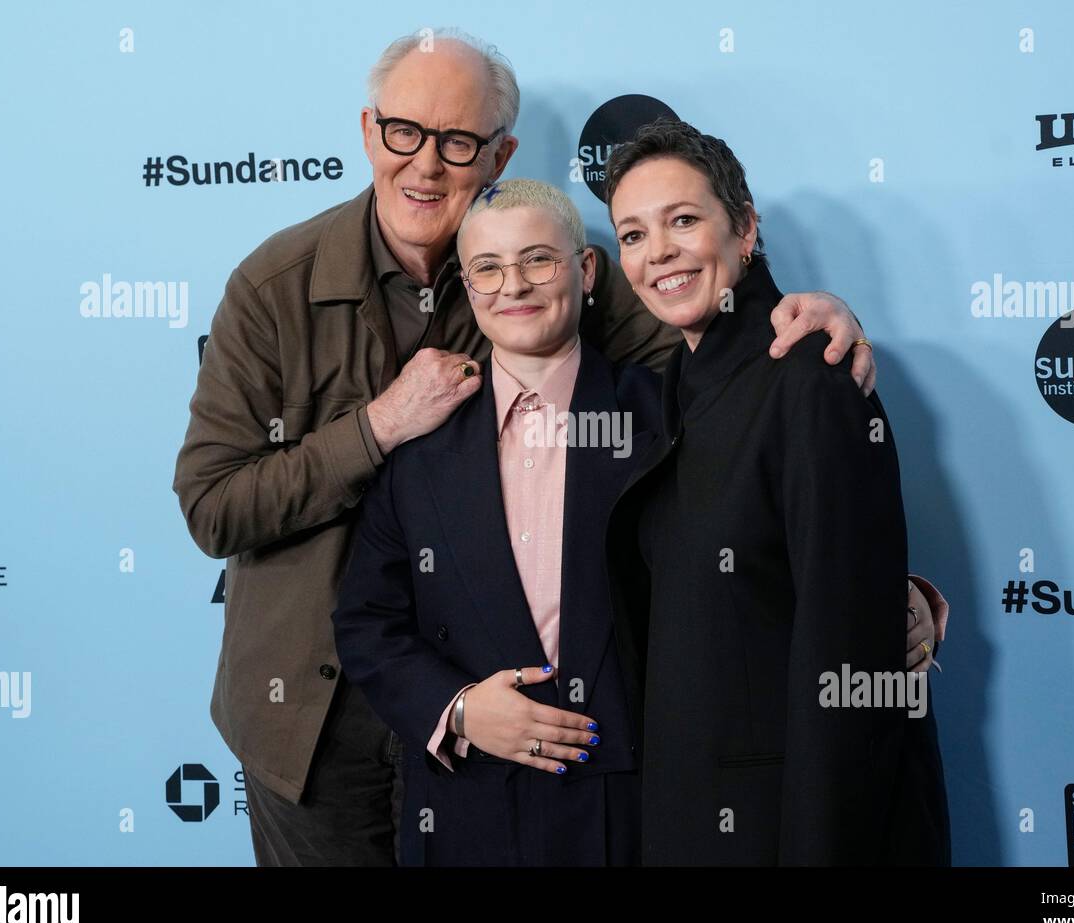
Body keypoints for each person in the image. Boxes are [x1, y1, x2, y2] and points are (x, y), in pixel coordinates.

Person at [171, 27, 880, 866]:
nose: (427, 164)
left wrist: (803, 323)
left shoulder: (578, 280)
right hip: (316, 725)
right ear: (369, 132)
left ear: (500, 157)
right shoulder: (273, 286)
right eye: (404, 131)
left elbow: (719, 387)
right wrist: (379, 427)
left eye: (459, 141)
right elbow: (214, 506)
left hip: (553, 737)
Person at [333, 179, 950, 865]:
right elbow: (366, 620)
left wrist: (899, 600)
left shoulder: (667, 413)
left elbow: (763, 556)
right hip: (469, 809)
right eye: (488, 268)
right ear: (467, 286)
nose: (515, 285)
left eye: (538, 259)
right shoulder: (421, 439)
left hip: (637, 809)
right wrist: (458, 709)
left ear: (586, 270)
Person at [603, 119, 951, 865]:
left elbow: (850, 662)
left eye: (683, 220)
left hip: (785, 827)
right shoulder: (677, 385)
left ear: (746, 229)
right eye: (631, 234)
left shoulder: (812, 377)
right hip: (697, 814)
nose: (657, 251)